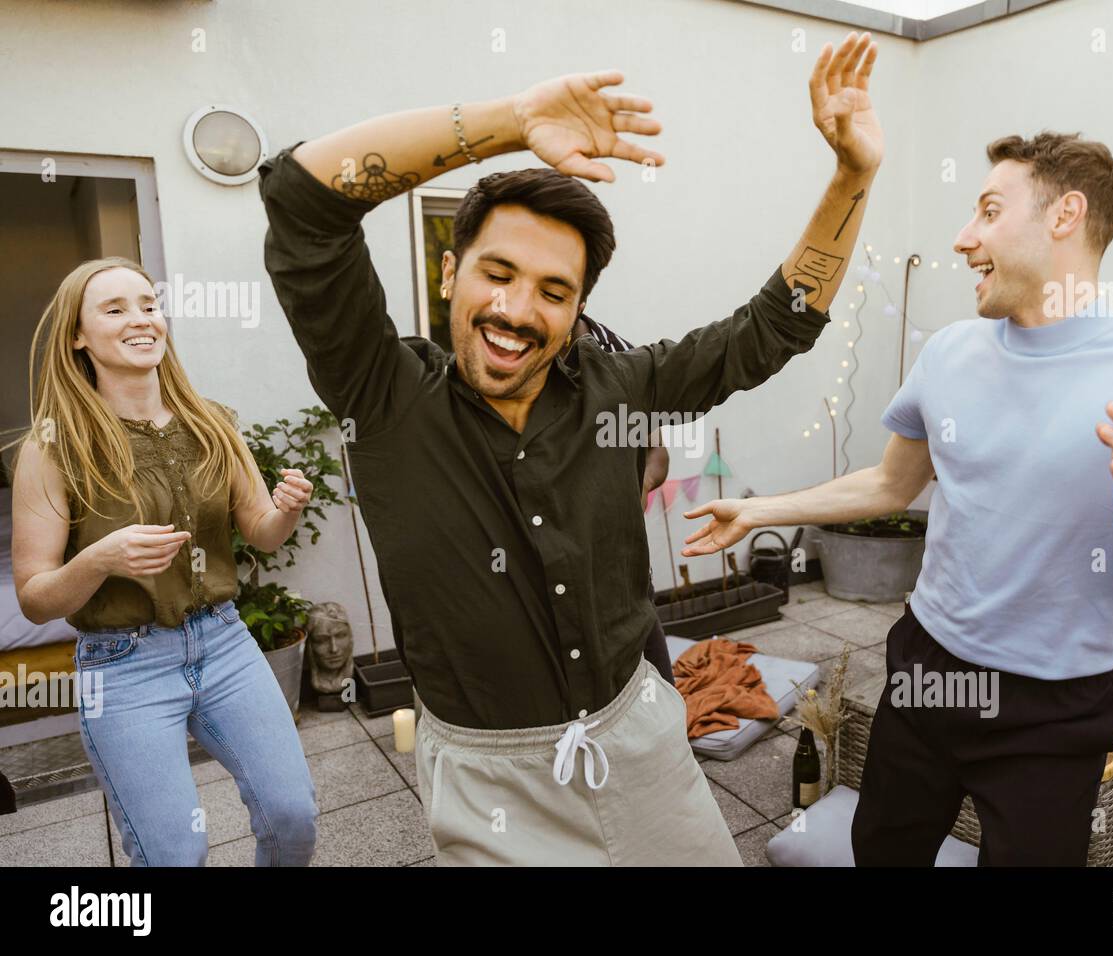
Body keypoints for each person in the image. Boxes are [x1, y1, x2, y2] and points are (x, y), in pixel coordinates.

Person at [258, 33, 884, 865]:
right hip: (492, 785)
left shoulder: (616, 386)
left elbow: (771, 328)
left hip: (643, 738)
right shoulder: (382, 395)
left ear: (579, 309)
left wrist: (852, 176)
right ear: (451, 274)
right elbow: (303, 198)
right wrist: (511, 121)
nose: (518, 309)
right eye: (497, 273)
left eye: (554, 291)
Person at [683, 132, 1113, 866]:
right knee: (883, 849)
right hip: (927, 670)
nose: (961, 239)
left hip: (1056, 707)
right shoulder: (949, 351)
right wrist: (760, 510)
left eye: (987, 212)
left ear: (1065, 215)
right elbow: (890, 485)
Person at [10, 258, 320, 866]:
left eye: (149, 304)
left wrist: (286, 508)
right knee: (175, 853)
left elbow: (261, 531)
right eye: (115, 308)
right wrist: (100, 559)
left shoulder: (212, 423)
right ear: (77, 335)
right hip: (123, 669)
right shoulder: (53, 447)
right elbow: (34, 595)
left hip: (225, 644)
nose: (141, 318)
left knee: (293, 816)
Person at [561, 313, 673, 683]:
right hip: (545, 572)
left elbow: (658, 453)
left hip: (621, 566)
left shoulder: (619, 356)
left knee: (656, 682)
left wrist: (639, 483)